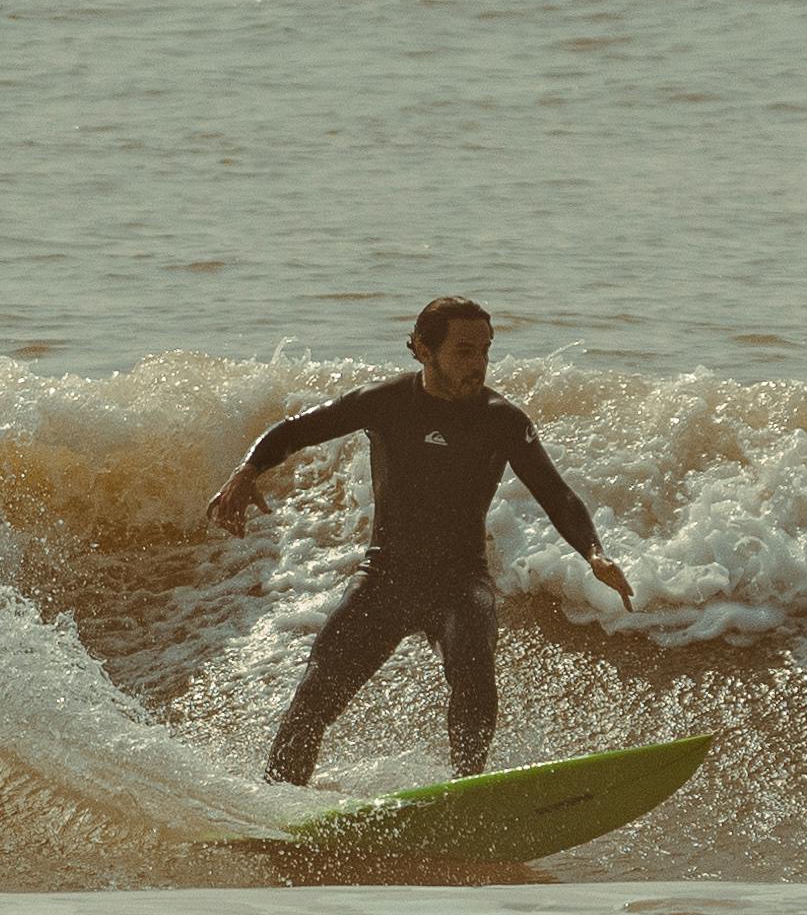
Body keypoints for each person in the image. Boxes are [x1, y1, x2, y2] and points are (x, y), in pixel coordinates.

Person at [203, 295, 634, 785]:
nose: (480, 364)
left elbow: (555, 493)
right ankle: (279, 797)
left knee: (474, 672)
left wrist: (593, 552)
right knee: (316, 692)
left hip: (460, 579)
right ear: (423, 351)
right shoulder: (385, 402)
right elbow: (298, 430)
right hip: (386, 575)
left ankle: (469, 789)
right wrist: (246, 472)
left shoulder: (503, 421)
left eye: (486, 350)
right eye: (465, 351)